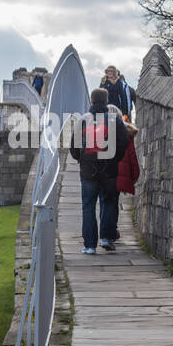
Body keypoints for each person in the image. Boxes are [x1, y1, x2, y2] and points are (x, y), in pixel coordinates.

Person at [69, 87, 129, 254]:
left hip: (88, 171)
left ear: (91, 101)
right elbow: (123, 142)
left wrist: (82, 160)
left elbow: (73, 147)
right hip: (110, 170)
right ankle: (106, 239)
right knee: (109, 202)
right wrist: (115, 159)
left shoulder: (83, 120)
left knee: (88, 206)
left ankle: (89, 246)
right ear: (106, 101)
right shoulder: (114, 120)